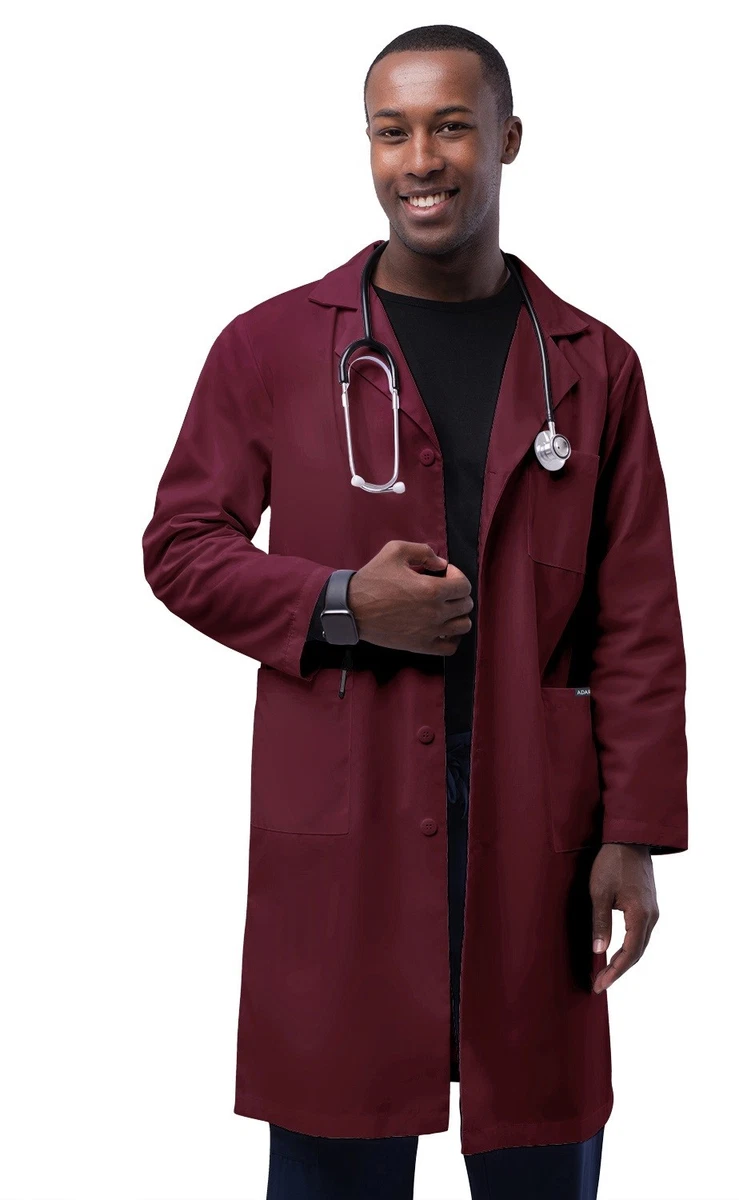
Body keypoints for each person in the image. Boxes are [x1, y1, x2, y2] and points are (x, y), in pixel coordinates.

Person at [142, 23, 688, 1200]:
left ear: (509, 138)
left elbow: (638, 619)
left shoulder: (594, 366)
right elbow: (181, 546)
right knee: (337, 1143)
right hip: (353, 801)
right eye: (391, 132)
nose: (420, 160)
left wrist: (634, 834)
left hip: (533, 811)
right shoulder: (272, 347)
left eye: (450, 127)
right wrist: (342, 605)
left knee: (537, 1144)